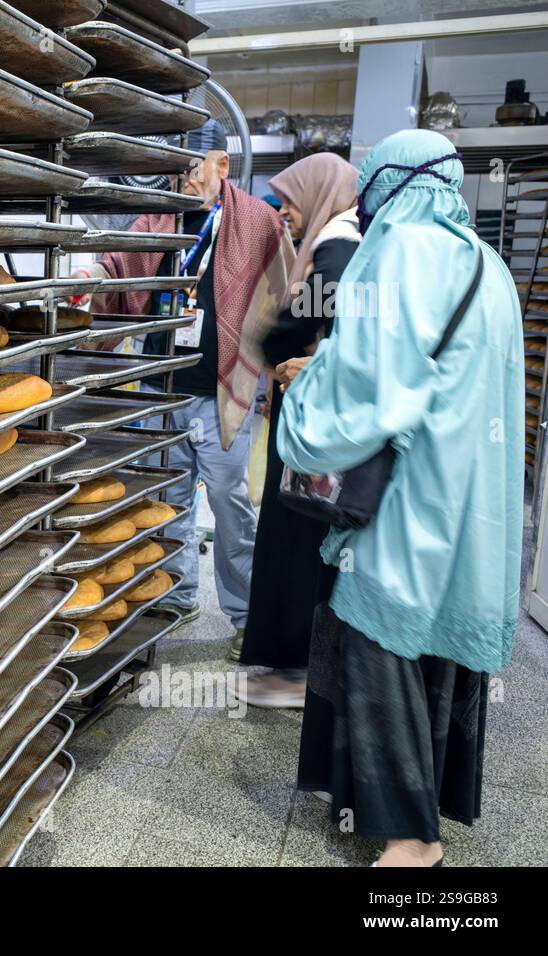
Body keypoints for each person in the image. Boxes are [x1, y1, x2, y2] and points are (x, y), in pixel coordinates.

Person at [277, 130, 522, 867]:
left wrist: (304, 408)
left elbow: (371, 387)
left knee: (378, 641)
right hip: (473, 504)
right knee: (431, 652)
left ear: (392, 183)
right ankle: (418, 803)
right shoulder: (489, 263)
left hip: (408, 501)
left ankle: (413, 837)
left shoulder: (402, 252)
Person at [83, 125, 295, 648]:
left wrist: (279, 365)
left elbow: (284, 294)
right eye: (174, 169)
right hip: (162, 388)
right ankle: (176, 598)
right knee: (170, 499)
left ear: (221, 166)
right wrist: (93, 276)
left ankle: (247, 616)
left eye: (191, 169)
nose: (180, 180)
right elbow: (120, 263)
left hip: (219, 391)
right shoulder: (160, 214)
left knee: (229, 502)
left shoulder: (257, 222)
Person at [236, 153, 362, 706]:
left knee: (295, 538)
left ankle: (291, 675)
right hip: (322, 412)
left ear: (318, 193)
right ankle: (295, 671)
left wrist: (274, 340)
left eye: (291, 198)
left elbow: (315, 313)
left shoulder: (336, 244)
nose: (284, 210)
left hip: (314, 418)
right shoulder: (345, 239)